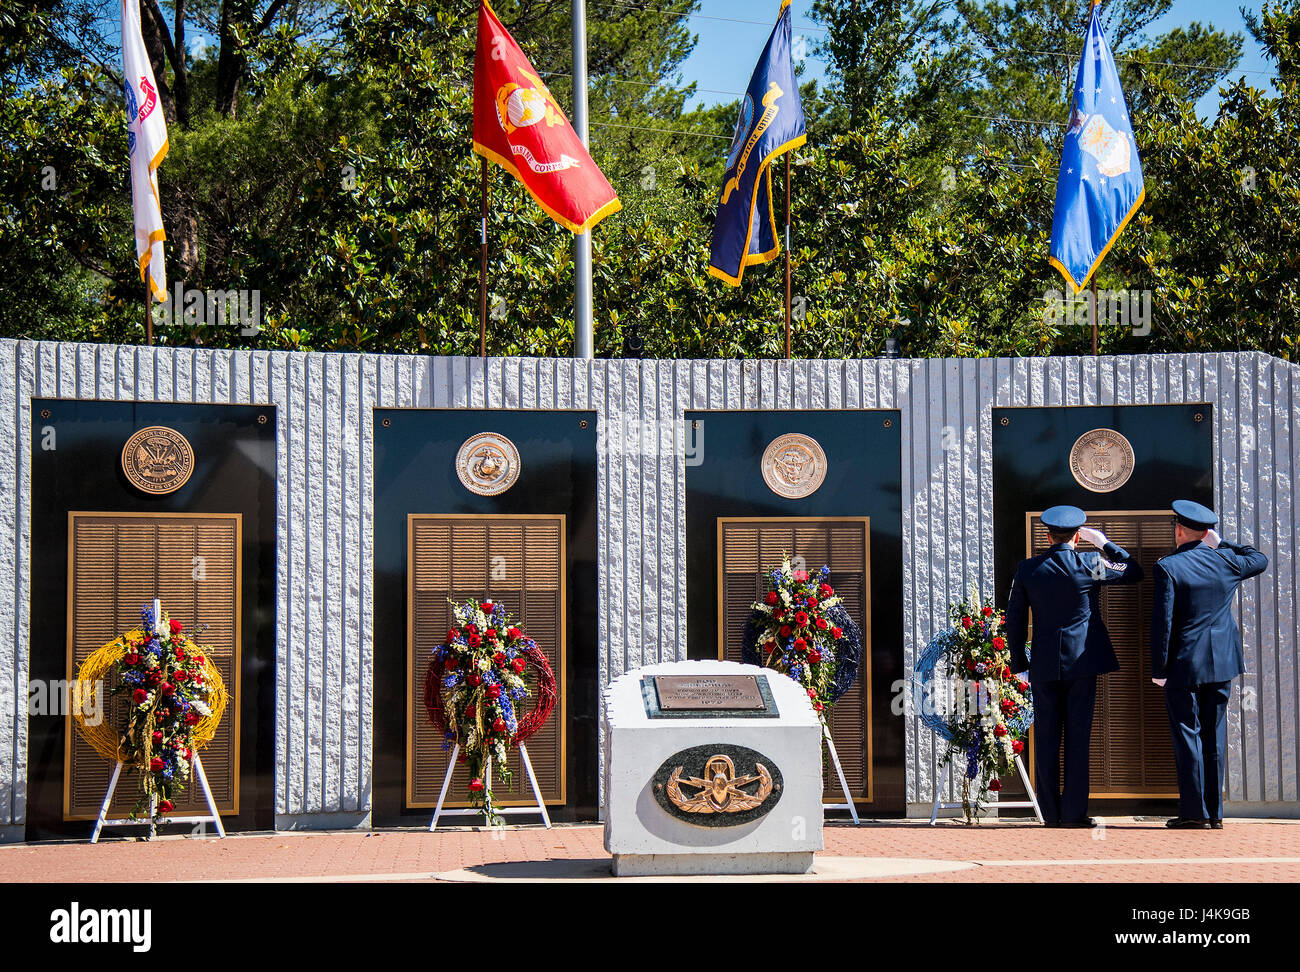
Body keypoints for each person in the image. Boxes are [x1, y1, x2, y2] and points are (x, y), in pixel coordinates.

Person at [1005, 505, 1144, 827]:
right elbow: (1134, 571)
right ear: (1078, 536)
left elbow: (1014, 619)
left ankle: (1049, 814)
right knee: (1078, 738)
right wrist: (1105, 543)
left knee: (1047, 740)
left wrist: (1017, 663)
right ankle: (1074, 814)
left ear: (1047, 535)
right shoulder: (1090, 563)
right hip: (1082, 663)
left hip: (1042, 665)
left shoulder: (1028, 569)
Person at [1150, 500, 1268, 830]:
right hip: (1221, 663)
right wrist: (1221, 542)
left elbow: (1164, 623)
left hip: (1184, 664)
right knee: (1214, 736)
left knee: (1188, 736)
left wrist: (1159, 669)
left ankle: (1193, 813)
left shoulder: (1169, 567)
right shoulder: (1226, 561)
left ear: (1178, 530)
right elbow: (1259, 559)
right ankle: (1215, 813)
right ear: (1205, 533)